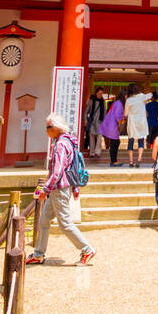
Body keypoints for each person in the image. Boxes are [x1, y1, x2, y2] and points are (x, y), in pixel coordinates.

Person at [27, 113, 95, 266]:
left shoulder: (60, 145)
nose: (47, 131)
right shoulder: (68, 142)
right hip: (60, 188)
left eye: (48, 128)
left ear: (56, 128)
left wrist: (45, 189)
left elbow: (57, 171)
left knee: (64, 223)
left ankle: (87, 249)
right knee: (44, 220)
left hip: (60, 188)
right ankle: (39, 254)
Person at [124, 82, 153, 166]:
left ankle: (131, 161)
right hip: (141, 121)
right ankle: (139, 159)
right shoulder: (142, 97)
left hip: (132, 122)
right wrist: (144, 98)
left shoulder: (129, 100)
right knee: (141, 141)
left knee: (131, 141)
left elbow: (126, 114)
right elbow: (150, 94)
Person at [99, 90, 126, 166]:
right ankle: (113, 161)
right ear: (124, 96)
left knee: (115, 143)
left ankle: (113, 161)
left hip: (111, 124)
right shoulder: (119, 104)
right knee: (115, 143)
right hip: (113, 125)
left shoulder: (117, 102)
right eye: (127, 96)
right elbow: (118, 116)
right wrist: (124, 117)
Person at [85, 87, 105, 157]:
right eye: (99, 93)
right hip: (92, 122)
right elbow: (86, 111)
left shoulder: (103, 102)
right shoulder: (91, 101)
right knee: (92, 137)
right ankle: (92, 153)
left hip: (100, 122)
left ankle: (98, 152)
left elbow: (104, 112)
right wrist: (85, 120)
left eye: (102, 94)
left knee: (99, 137)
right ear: (96, 93)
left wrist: (104, 122)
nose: (100, 95)